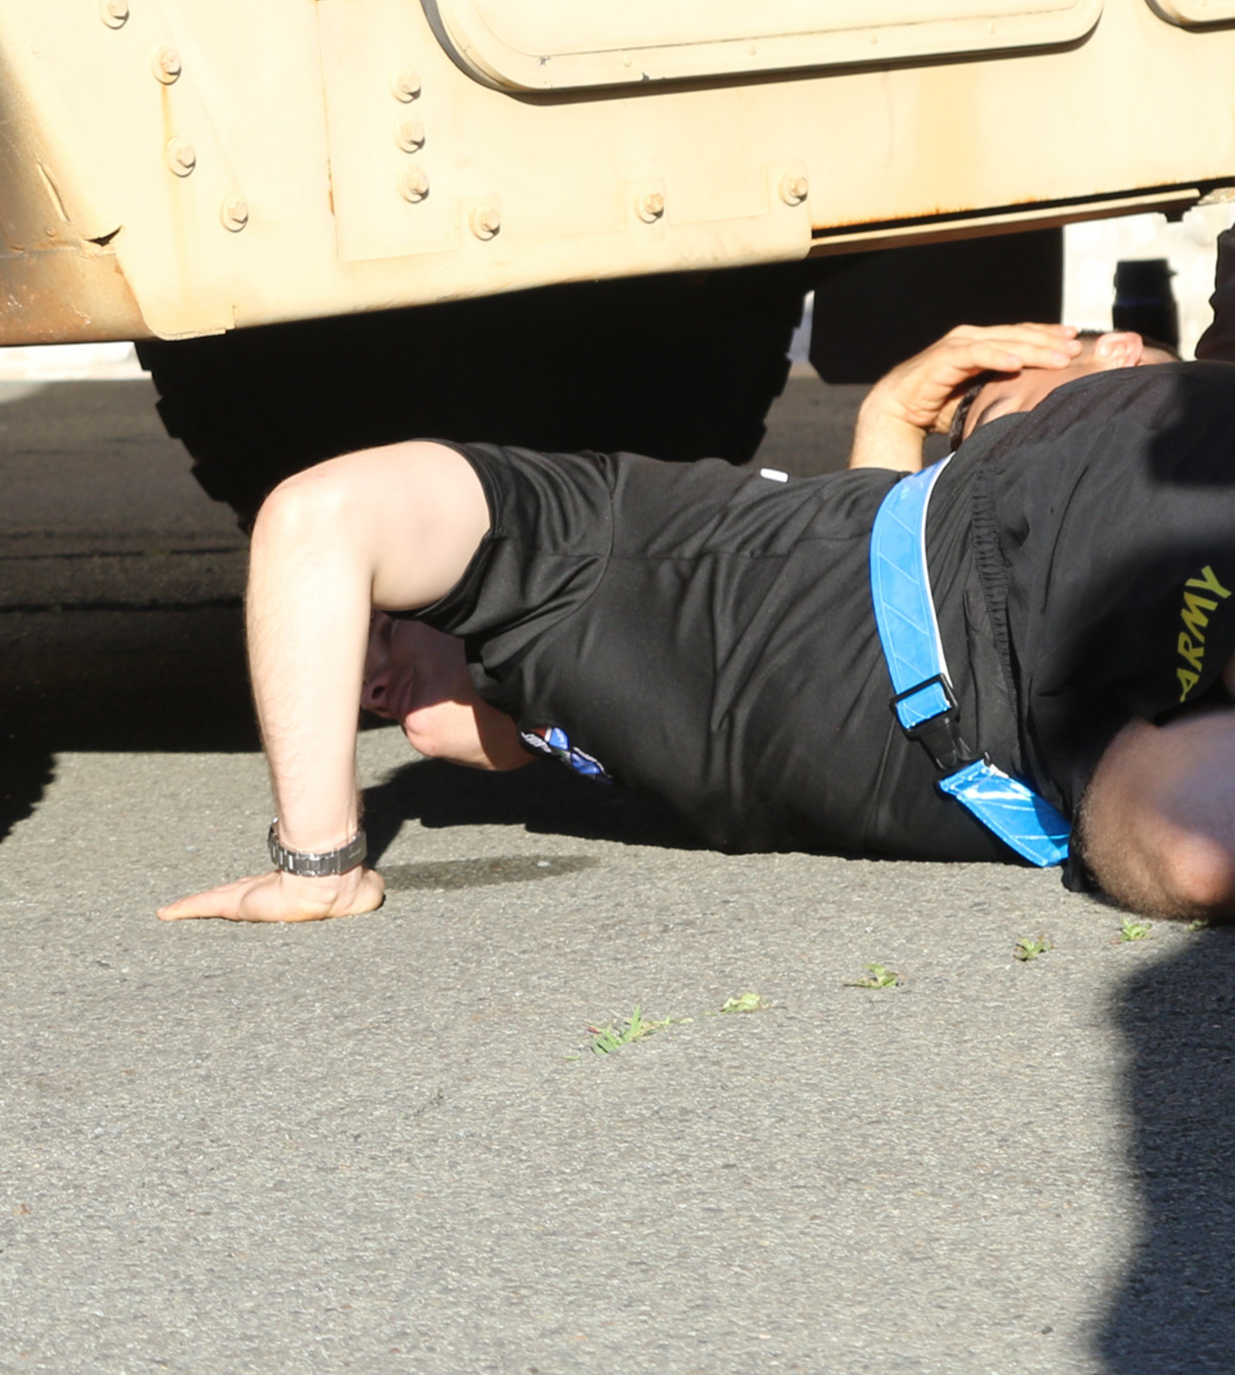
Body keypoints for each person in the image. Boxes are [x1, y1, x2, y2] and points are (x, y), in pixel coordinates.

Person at [161, 313, 1235, 926]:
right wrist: (891, 417)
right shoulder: (608, 681)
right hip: (1048, 748)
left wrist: (320, 863)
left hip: (1094, 499)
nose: (367, 684)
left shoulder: (576, 538)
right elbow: (872, 565)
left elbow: (318, 515)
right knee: (1197, 861)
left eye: (378, 624)